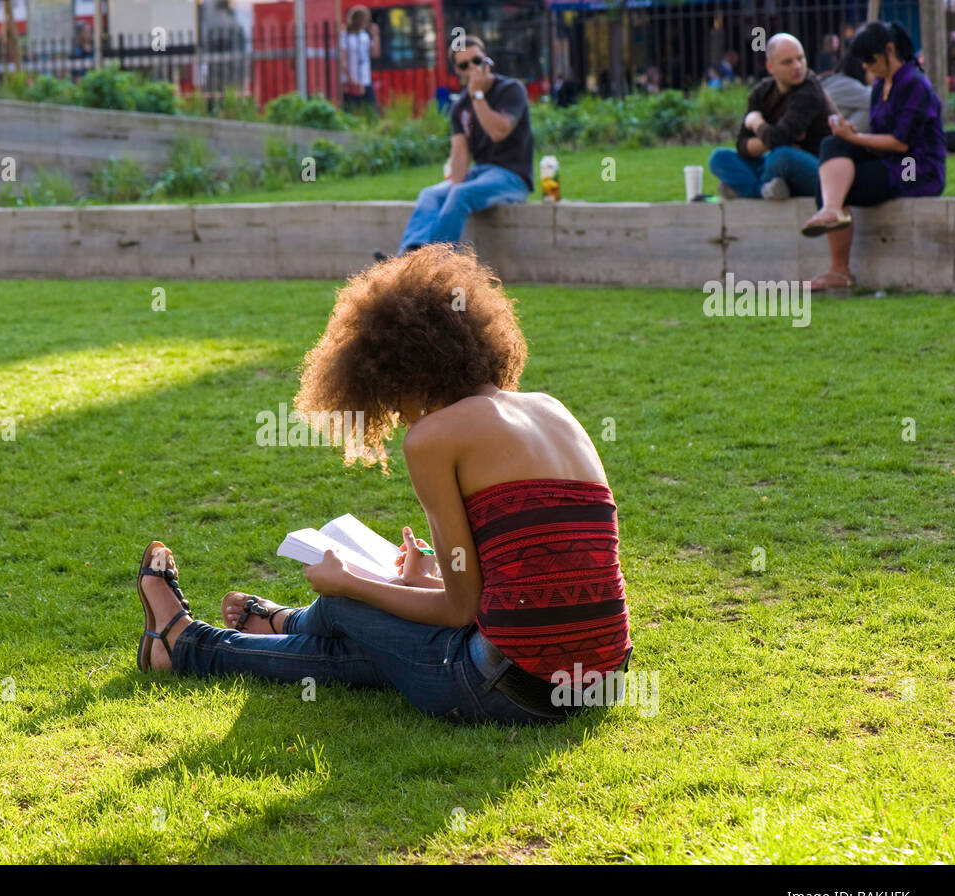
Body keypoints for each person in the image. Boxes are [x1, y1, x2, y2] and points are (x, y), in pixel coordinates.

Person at [131, 246, 634, 726]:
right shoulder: (552, 409)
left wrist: (349, 582)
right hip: (602, 680)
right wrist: (423, 579)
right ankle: (188, 644)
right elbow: (517, 583)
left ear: (399, 374)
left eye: (390, 403)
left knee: (348, 606)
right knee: (362, 651)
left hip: (509, 686)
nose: (395, 418)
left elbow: (460, 610)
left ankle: (228, 631)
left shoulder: (433, 437)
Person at [801, 21, 946, 291]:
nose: (865, 66)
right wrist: (851, 136)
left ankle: (840, 268)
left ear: (889, 50)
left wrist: (855, 138)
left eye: (869, 59)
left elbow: (902, 144)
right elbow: (880, 139)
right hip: (891, 159)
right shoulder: (880, 87)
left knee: (838, 182)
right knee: (832, 147)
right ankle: (831, 211)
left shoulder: (915, 85)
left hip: (914, 168)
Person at [376, 36, 532, 261]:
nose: (472, 67)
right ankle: (408, 259)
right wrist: (452, 190)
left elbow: (499, 131)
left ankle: (437, 264)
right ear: (458, 72)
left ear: (487, 60)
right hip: (480, 174)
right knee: (430, 195)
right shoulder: (460, 107)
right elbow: (460, 154)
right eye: (463, 65)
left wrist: (477, 95)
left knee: (460, 193)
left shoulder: (511, 89)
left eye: (476, 60)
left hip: (512, 177)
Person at [708, 33, 830, 201]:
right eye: (787, 62)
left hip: (819, 169)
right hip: (774, 167)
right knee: (719, 158)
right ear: (770, 67)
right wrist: (773, 138)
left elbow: (778, 141)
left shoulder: (810, 90)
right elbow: (742, 145)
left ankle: (748, 190)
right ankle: (767, 190)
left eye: (800, 59)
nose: (797, 66)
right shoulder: (761, 93)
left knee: (781, 156)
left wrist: (756, 122)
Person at [340, 6, 380, 113]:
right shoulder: (345, 36)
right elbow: (342, 60)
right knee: (350, 111)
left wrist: (375, 35)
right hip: (351, 82)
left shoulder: (364, 36)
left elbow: (375, 54)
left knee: (372, 111)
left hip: (365, 80)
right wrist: (349, 77)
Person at [821, 51, 872, 132]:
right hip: (828, 135)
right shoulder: (848, 84)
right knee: (870, 110)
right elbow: (876, 98)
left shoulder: (837, 79)